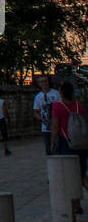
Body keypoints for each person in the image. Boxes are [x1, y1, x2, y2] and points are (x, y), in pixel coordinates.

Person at [50, 81, 88, 210]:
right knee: (81, 173)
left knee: (70, 175)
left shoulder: (57, 106)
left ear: (61, 93)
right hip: (82, 144)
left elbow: (55, 126)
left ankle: (76, 204)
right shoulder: (79, 105)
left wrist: (52, 142)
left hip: (66, 144)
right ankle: (77, 204)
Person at [33, 75, 61, 155]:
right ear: (39, 84)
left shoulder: (56, 94)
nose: (44, 83)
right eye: (41, 82)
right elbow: (35, 111)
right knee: (48, 150)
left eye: (45, 81)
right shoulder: (38, 97)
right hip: (45, 127)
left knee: (57, 149)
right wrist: (41, 119)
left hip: (56, 126)